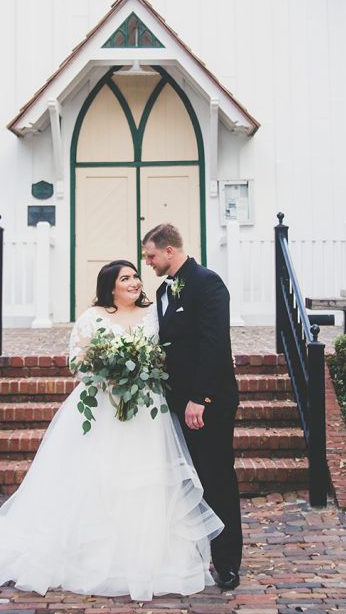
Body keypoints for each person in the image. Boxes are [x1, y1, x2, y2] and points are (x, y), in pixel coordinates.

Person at [0, 260, 223, 601]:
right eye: (125, 278)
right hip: (101, 408)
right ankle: (92, 556)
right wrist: (108, 375)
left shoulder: (152, 315)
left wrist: (144, 372)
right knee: (97, 478)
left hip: (146, 411)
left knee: (146, 480)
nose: (134, 282)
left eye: (135, 276)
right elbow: (78, 360)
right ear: (110, 287)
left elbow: (164, 356)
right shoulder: (93, 317)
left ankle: (152, 558)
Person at [142, 223, 242, 591]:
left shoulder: (207, 283)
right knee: (188, 482)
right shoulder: (162, 289)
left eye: (151, 255)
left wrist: (199, 398)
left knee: (216, 480)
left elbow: (215, 344)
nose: (147, 262)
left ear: (169, 251)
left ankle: (227, 562)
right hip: (175, 402)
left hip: (206, 403)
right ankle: (195, 555)